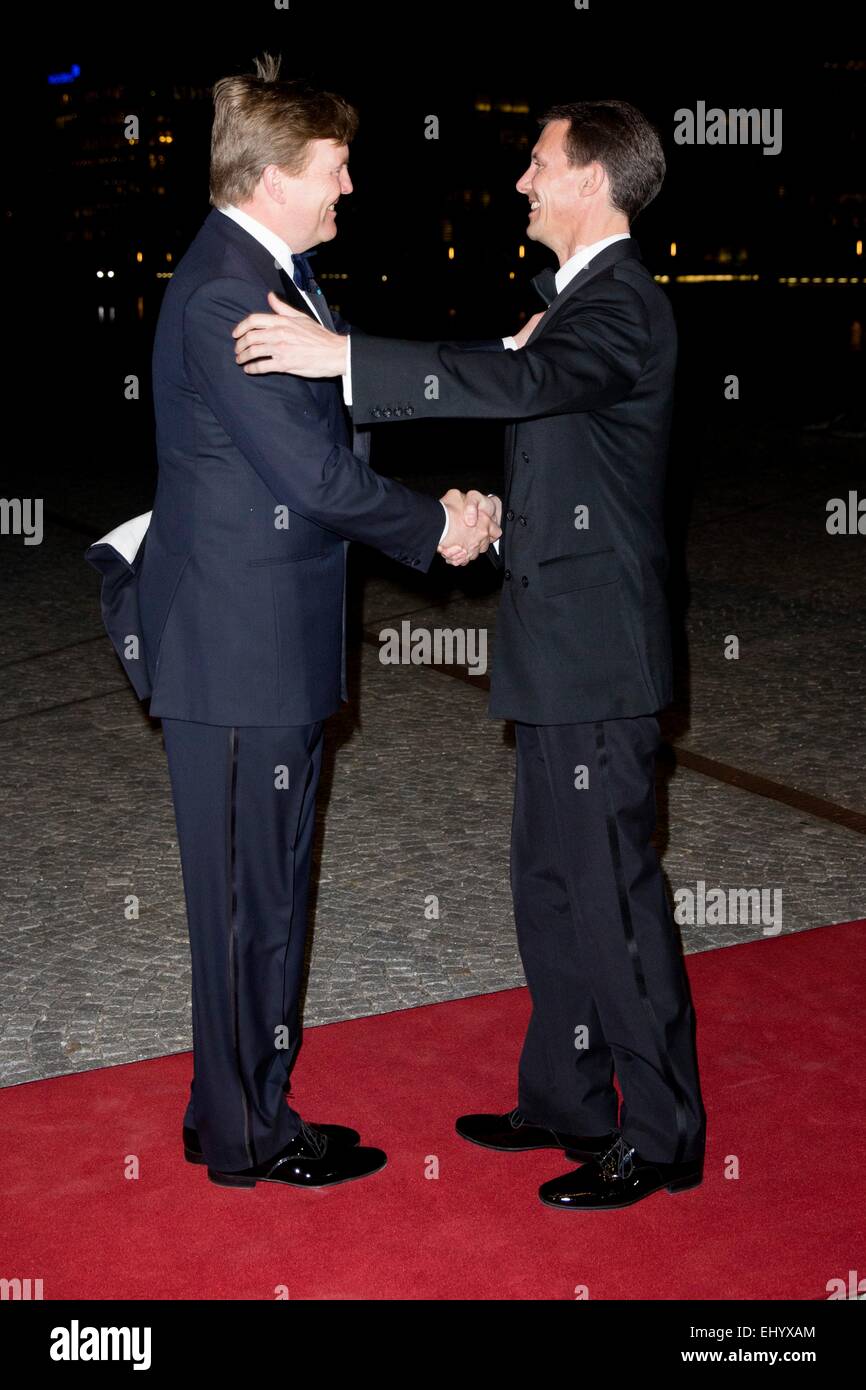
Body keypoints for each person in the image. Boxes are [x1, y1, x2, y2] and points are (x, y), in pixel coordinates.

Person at [231, 99, 707, 1210]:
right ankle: (567, 1098)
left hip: (599, 661)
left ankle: (665, 1130)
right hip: (555, 649)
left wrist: (342, 357)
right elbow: (554, 424)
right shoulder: (572, 310)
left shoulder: (621, 306)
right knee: (550, 884)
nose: (521, 184)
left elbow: (523, 385)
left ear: (590, 177)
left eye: (538, 165)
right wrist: (501, 516)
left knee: (611, 894)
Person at [86, 54, 500, 1192]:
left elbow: (341, 403)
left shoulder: (270, 274)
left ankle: (222, 1103)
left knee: (256, 893)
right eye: (333, 167)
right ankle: (251, 1134)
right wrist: (440, 527)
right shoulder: (230, 289)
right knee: (250, 902)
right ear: (272, 177)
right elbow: (315, 479)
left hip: (260, 646)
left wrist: (472, 396)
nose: (348, 186)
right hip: (238, 656)